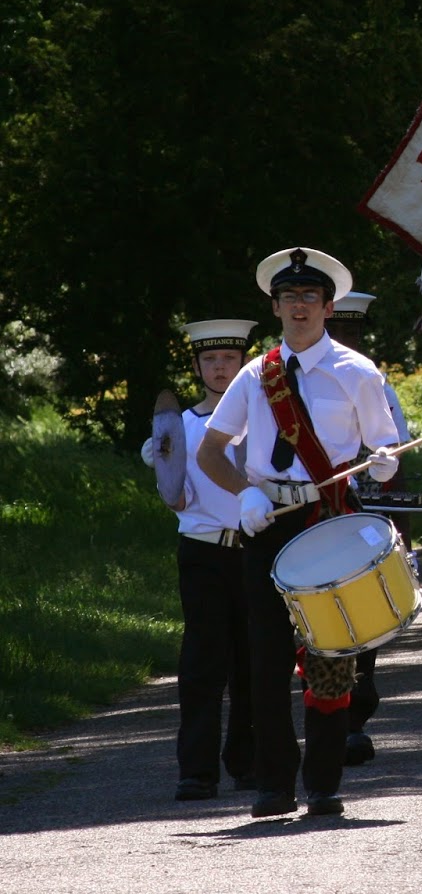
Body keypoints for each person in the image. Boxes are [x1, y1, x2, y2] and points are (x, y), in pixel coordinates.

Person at [196, 247, 401, 819]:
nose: (300, 307)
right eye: (289, 298)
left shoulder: (357, 372)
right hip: (267, 523)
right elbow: (213, 451)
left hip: (330, 518)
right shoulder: (253, 375)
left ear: (328, 305)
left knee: (330, 654)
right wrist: (245, 493)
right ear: (276, 306)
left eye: (310, 297)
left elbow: (382, 449)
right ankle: (273, 783)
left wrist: (384, 461)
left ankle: (325, 782)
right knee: (264, 657)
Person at [142, 318, 257, 802]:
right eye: (210, 360)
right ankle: (197, 772)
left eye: (229, 359)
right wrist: (164, 462)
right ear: (196, 366)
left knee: (255, 662)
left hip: (254, 552)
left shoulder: (264, 421)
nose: (220, 368)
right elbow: (180, 499)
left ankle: (250, 764)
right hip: (203, 554)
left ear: (243, 363)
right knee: (202, 664)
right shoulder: (182, 429)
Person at [322, 289, 415, 767]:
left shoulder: (373, 382)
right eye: (340, 331)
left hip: (361, 514)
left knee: (361, 614)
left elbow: (390, 455)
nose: (347, 342)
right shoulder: (283, 380)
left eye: (354, 333)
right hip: (310, 509)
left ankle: (354, 716)